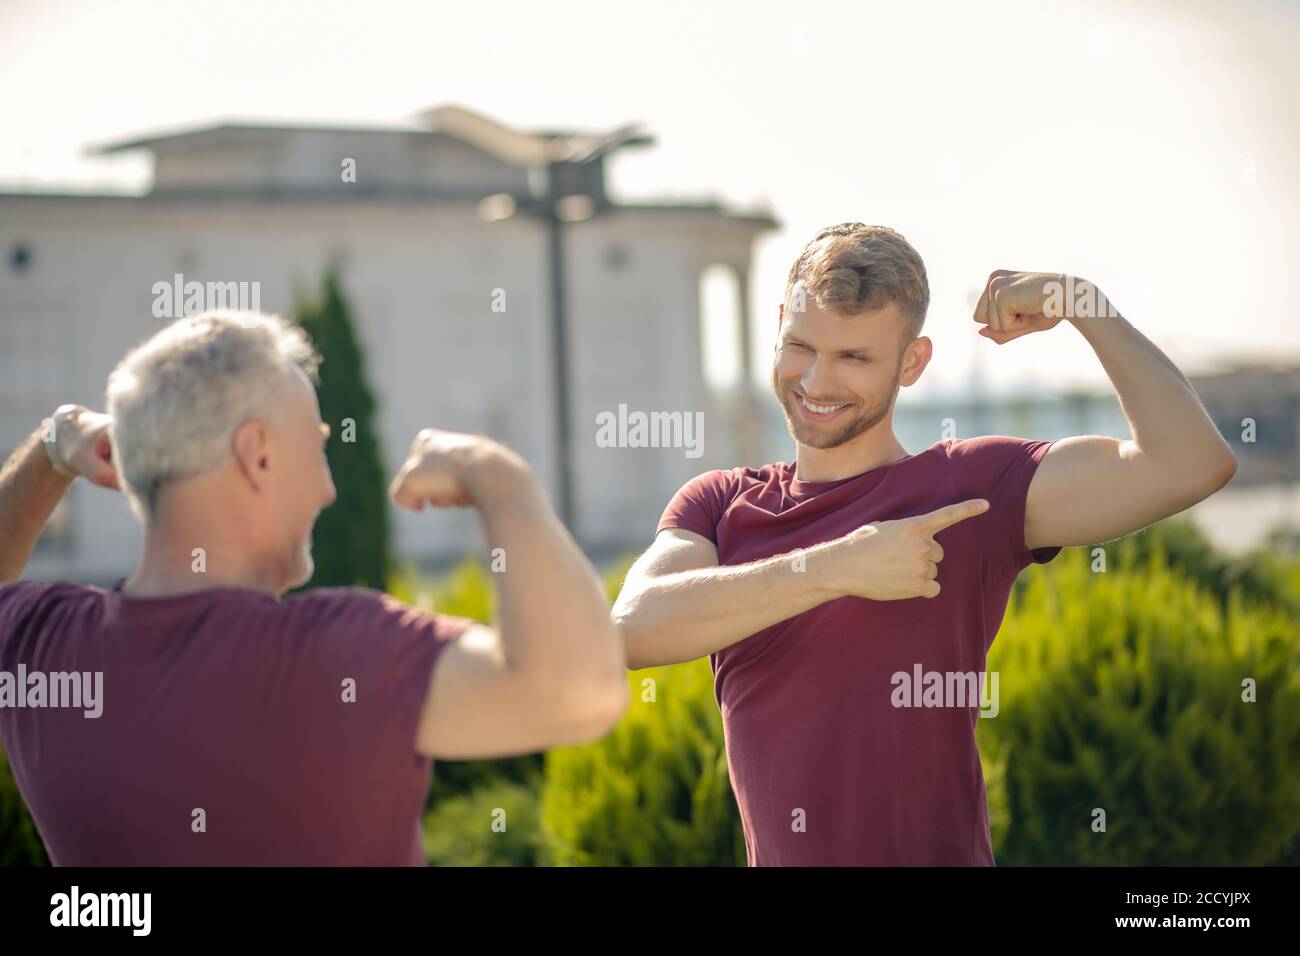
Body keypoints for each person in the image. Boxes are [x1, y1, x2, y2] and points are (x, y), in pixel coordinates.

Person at [613, 223, 1238, 866]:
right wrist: (835, 566)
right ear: (778, 327)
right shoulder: (719, 504)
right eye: (801, 346)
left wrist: (1083, 301)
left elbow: (1190, 464)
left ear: (912, 363)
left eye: (855, 357)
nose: (817, 382)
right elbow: (632, 631)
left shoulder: (963, 491)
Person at [0, 310, 628, 865]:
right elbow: (582, 693)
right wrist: (499, 477)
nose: (329, 489)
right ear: (260, 456)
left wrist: (52, 450)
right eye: (318, 447)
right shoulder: (335, 658)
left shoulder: (40, 648)